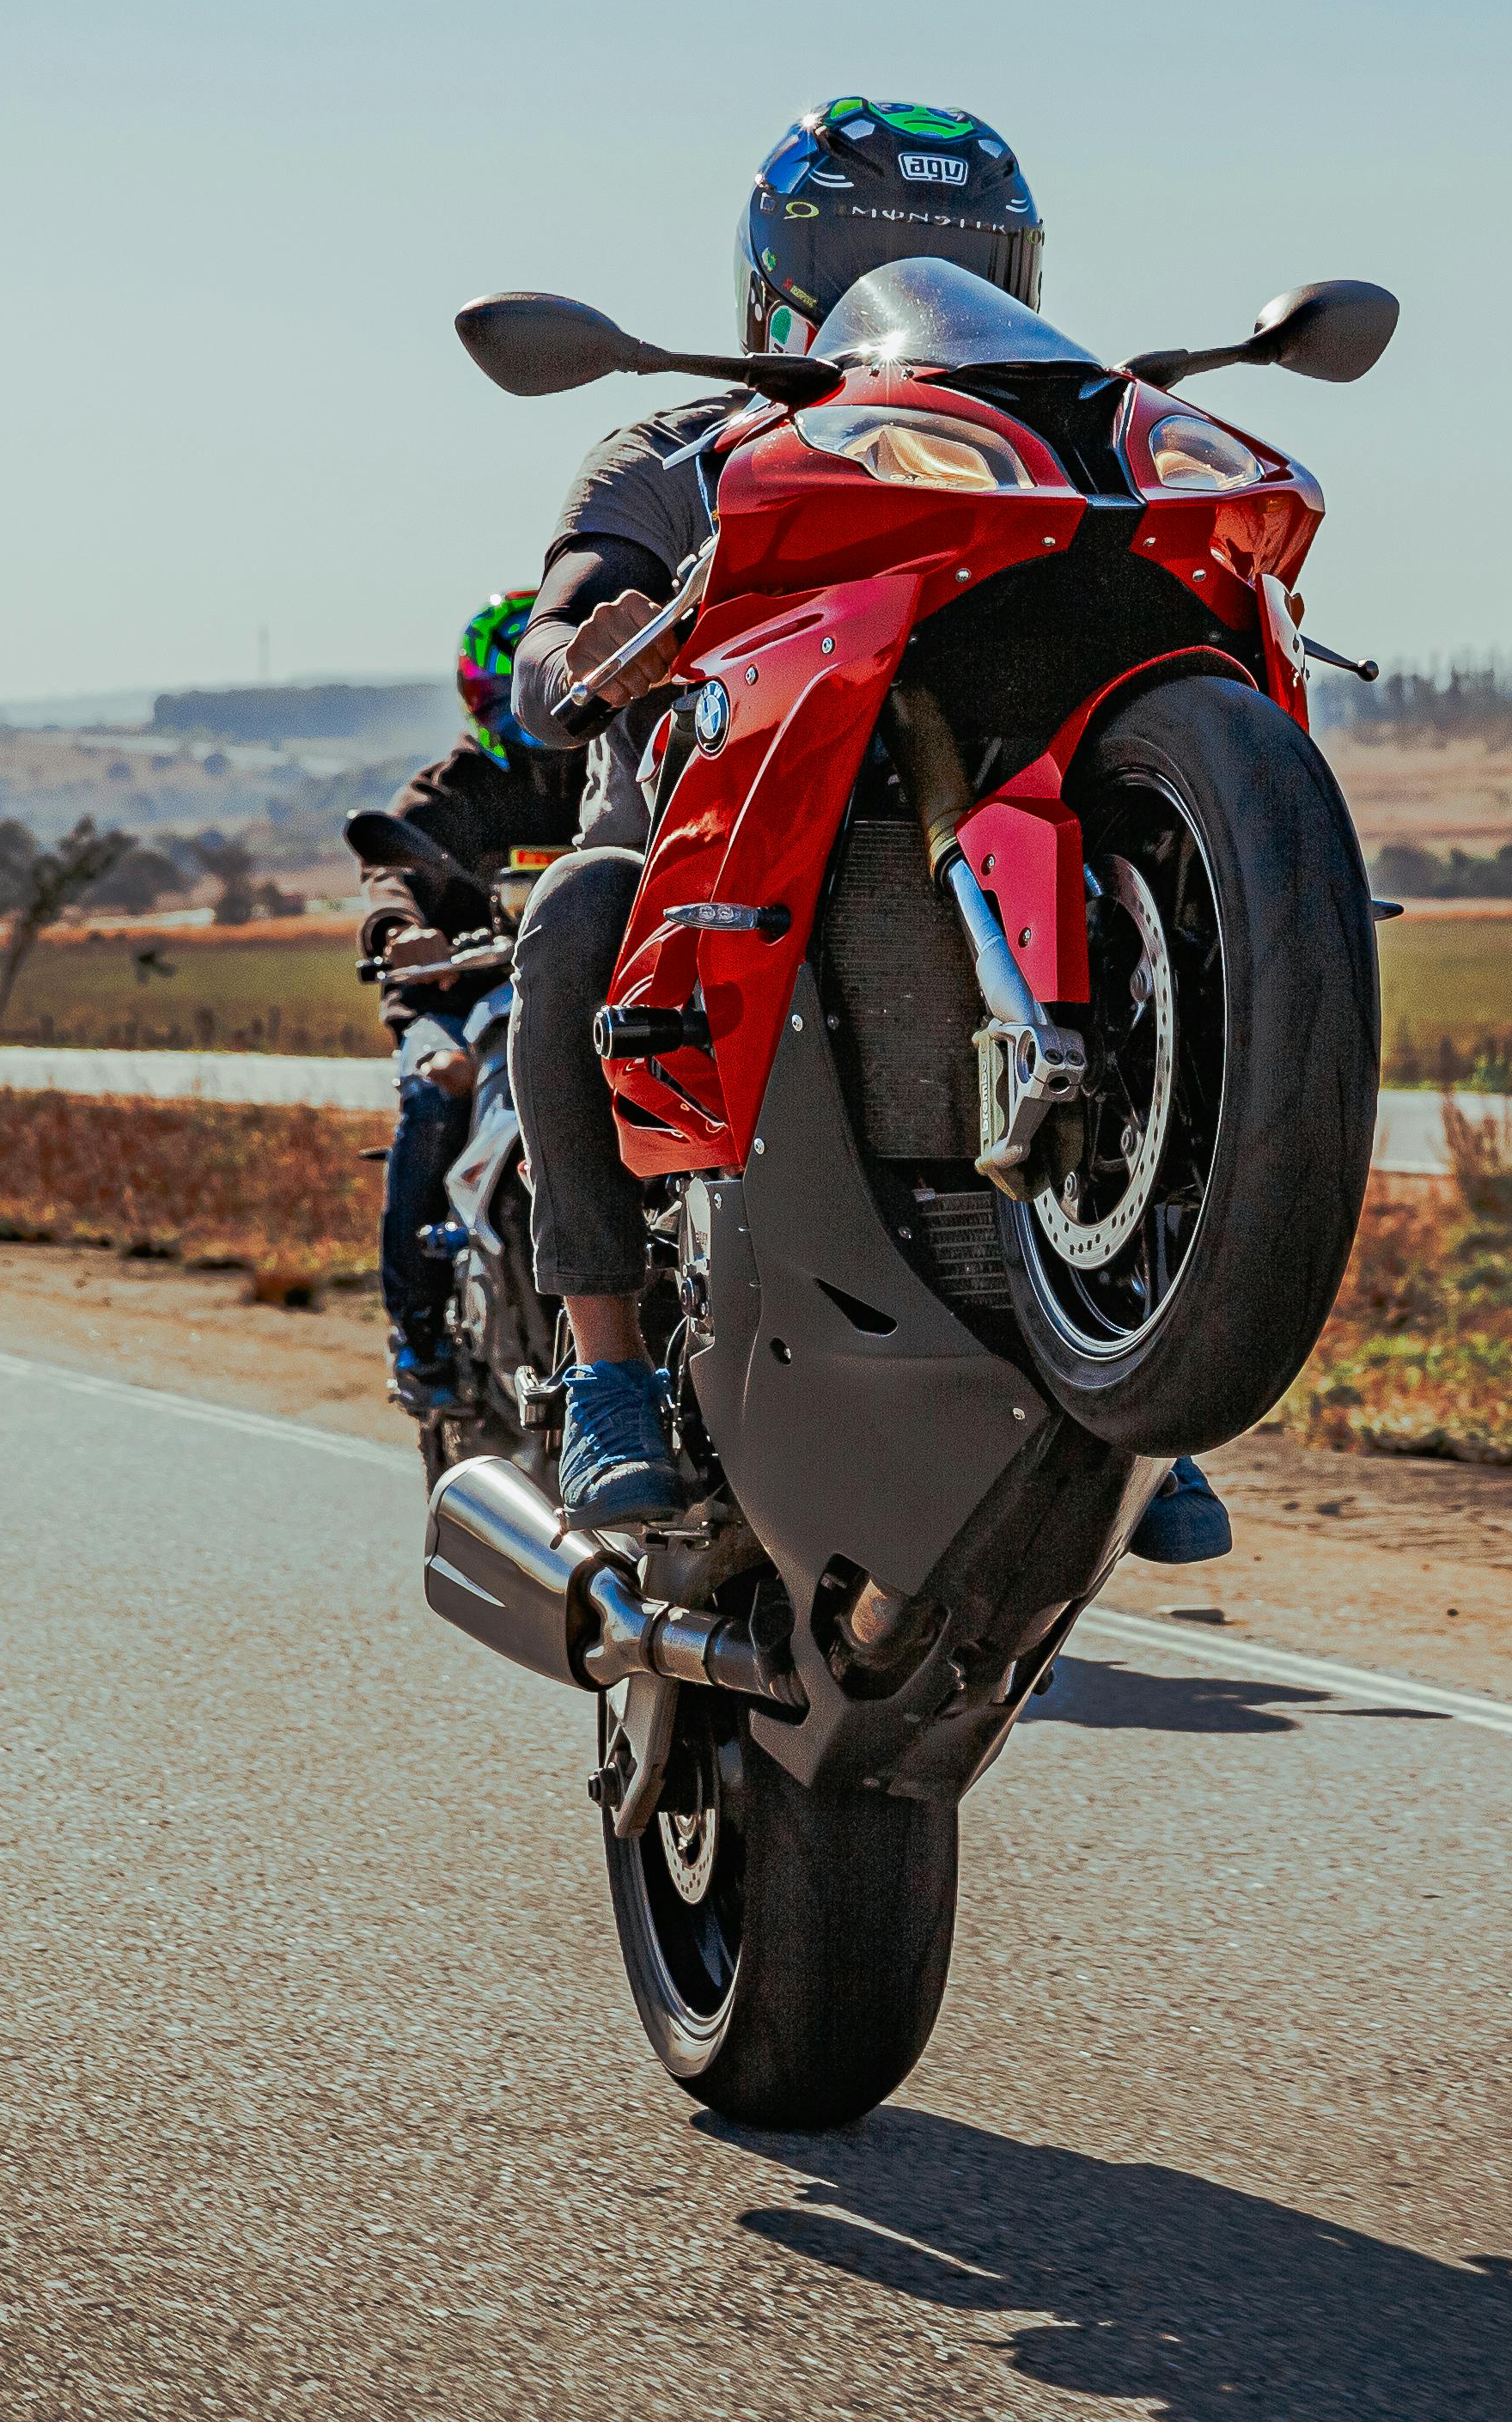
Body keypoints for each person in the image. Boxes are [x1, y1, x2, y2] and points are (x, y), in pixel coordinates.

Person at [503, 97, 1227, 1561]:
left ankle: (1154, 1361)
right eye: (856, 253)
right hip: (696, 852)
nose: (891, 284)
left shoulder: (1039, 446)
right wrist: (590, 648)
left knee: (1188, 929)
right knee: (576, 910)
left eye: (951, 254)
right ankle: (608, 1369)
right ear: (777, 278)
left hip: (958, 827)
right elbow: (552, 639)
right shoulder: (675, 449)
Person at [357, 592, 585, 1412]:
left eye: (546, 695)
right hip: (460, 999)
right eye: (508, 700)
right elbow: (393, 877)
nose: (530, 716)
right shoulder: (449, 794)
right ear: (478, 700)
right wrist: (400, 935)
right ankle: (417, 1329)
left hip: (573, 992)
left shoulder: (610, 774)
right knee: (438, 1086)